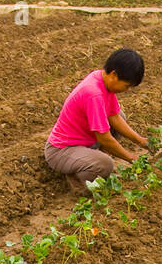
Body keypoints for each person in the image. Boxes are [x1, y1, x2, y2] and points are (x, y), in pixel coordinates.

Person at [45, 48, 150, 194]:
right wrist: (131, 158)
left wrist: (141, 141)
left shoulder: (102, 80)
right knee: (105, 164)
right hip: (61, 150)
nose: (127, 90)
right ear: (114, 74)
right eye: (126, 85)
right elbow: (104, 138)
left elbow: (114, 116)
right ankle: (79, 180)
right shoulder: (93, 93)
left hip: (83, 142)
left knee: (121, 116)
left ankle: (90, 162)